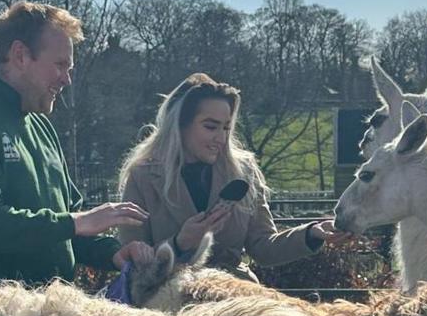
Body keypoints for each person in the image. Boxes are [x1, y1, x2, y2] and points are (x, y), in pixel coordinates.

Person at [0, 1, 152, 285]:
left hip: (51, 315)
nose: (67, 80)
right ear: (20, 55)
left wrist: (114, 253)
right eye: (60, 65)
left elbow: (69, 231)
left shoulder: (41, 125)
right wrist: (76, 222)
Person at [118, 73, 347, 282]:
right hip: (168, 301)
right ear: (179, 125)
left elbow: (264, 247)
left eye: (226, 128)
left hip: (234, 296)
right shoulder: (143, 177)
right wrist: (180, 243)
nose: (221, 137)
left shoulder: (242, 170)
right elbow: (132, 262)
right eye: (210, 127)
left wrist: (312, 233)